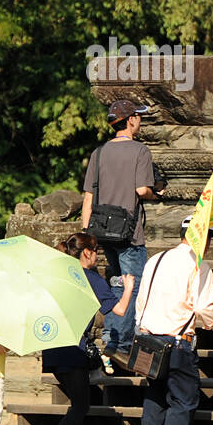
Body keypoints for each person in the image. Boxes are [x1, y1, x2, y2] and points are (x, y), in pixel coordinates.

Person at [131, 218, 213, 425]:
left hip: (149, 338)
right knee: (184, 399)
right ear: (203, 237)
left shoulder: (155, 260)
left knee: (156, 388)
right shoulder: (199, 266)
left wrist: (142, 330)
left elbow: (140, 301)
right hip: (178, 342)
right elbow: (202, 308)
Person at [40, 232, 136, 425]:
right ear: (86, 253)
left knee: (79, 402)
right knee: (82, 405)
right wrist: (128, 288)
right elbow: (121, 309)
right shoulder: (91, 278)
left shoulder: (60, 276)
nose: (98, 257)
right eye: (96, 252)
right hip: (73, 349)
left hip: (53, 346)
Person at [80, 100, 161, 363]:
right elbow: (141, 191)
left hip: (102, 232)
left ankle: (110, 340)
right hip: (129, 234)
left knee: (116, 285)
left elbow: (88, 198)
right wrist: (155, 191)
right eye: (138, 117)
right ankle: (122, 345)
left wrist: (86, 236)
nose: (139, 121)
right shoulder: (140, 151)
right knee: (132, 287)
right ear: (130, 121)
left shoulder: (99, 153)